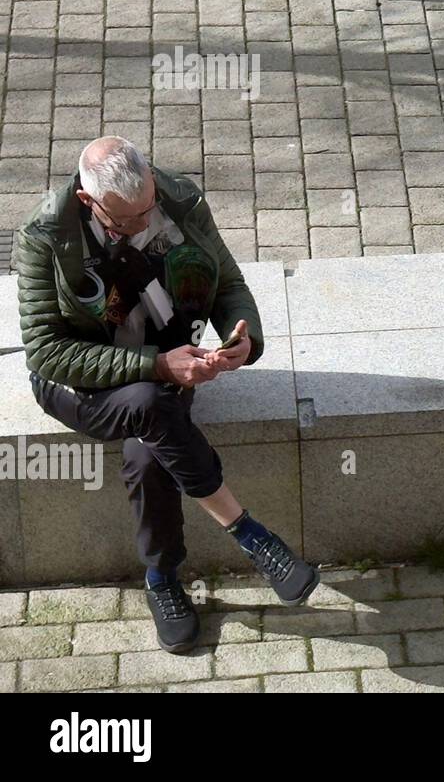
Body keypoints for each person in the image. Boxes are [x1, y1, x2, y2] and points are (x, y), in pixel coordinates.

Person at [14, 137, 319, 653]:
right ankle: (249, 534)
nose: (142, 223)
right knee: (151, 405)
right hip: (84, 386)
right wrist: (155, 365)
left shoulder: (180, 200)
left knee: (146, 454)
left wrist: (243, 340)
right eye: (127, 221)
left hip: (168, 369)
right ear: (89, 202)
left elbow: (229, 286)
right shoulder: (43, 236)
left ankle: (161, 581)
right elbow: (46, 352)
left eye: (147, 208)